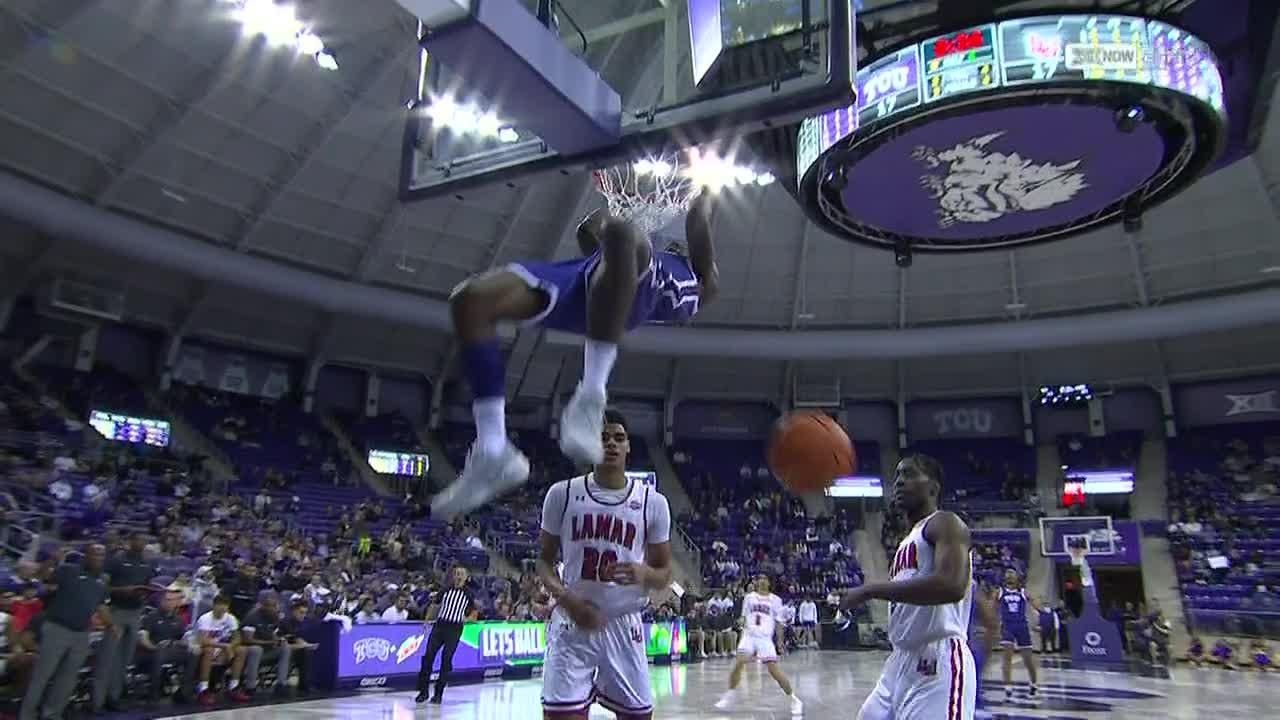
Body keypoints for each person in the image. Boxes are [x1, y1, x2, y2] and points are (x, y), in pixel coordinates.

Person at [432, 191, 718, 518]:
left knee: (624, 233)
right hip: (587, 283)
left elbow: (700, 219)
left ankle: (591, 396)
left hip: (640, 299)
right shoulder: (619, 250)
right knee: (470, 299)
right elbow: (589, 230)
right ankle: (493, 449)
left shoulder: (697, 280)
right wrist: (634, 199)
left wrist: (709, 183)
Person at [537, 409, 673, 719]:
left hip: (624, 624)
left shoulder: (653, 502)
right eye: (603, 437)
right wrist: (568, 600)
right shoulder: (562, 494)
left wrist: (644, 573)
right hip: (572, 623)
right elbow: (543, 562)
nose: (611, 443)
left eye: (619, 437)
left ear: (628, 447)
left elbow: (664, 575)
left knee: (639, 715)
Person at [841, 455, 976, 720]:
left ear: (933, 488)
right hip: (900, 661)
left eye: (909, 475)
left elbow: (951, 586)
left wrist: (870, 590)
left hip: (937, 657)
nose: (900, 483)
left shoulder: (945, 522)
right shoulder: (908, 542)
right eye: (897, 477)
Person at [21, 545, 115, 720]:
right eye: (95, 554)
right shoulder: (69, 570)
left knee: (68, 679)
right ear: (86, 555)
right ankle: (26, 715)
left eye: (102, 555)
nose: (99, 558)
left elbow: (101, 606)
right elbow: (42, 577)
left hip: (81, 634)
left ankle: (52, 715)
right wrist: (52, 559)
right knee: (42, 675)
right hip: (57, 628)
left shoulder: (101, 581)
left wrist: (111, 625)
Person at [714, 576, 803, 715]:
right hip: (749, 636)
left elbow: (779, 623)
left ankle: (794, 699)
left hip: (765, 639)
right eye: (758, 579)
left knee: (774, 672)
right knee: (739, 663)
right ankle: (729, 696)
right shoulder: (749, 597)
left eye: (763, 578)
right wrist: (740, 623)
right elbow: (743, 617)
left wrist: (780, 643)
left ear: (769, 582)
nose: (760, 581)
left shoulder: (776, 600)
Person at [94, 530, 158, 712]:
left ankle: (113, 697)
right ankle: (97, 701)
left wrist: (145, 592)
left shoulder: (146, 564)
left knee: (124, 659)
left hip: (135, 612)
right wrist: (123, 590)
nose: (141, 543)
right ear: (130, 541)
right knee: (107, 658)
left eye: (144, 540)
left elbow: (146, 584)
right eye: (138, 539)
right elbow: (103, 587)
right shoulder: (116, 560)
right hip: (117, 611)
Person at [416, 566, 477, 705]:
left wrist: (467, 620)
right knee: (428, 657)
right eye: (456, 574)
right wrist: (427, 620)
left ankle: (438, 694)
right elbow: (435, 605)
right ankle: (423, 691)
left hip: (454, 629)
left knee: (446, 660)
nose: (458, 576)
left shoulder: (469, 594)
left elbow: (474, 612)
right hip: (440, 626)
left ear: (466, 577)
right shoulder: (446, 589)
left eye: (461, 574)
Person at [192, 594, 251, 705]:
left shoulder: (230, 618)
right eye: (219, 605)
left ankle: (234, 686)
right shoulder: (205, 618)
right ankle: (203, 690)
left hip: (221, 647)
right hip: (201, 647)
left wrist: (231, 646)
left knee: (242, 650)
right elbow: (202, 640)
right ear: (214, 605)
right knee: (209, 650)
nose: (222, 608)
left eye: (225, 605)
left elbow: (237, 638)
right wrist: (225, 646)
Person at [137, 589, 193, 702]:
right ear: (161, 601)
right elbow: (143, 637)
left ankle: (183, 691)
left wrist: (187, 644)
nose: (170, 603)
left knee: (193, 653)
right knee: (160, 654)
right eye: (168, 600)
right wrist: (154, 647)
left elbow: (183, 638)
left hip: (172, 650)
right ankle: (154, 692)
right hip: (152, 651)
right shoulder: (151, 617)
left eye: (173, 600)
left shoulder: (177, 619)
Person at [997, 569, 1041, 702]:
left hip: (1022, 626)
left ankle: (1033, 684)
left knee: (1028, 659)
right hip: (1007, 626)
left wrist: (1038, 608)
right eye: (1007, 574)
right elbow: (990, 607)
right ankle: (1008, 687)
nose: (1009, 576)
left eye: (1012, 574)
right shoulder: (999, 592)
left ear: (1017, 578)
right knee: (1007, 658)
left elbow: (1037, 605)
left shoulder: (1023, 592)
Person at [968, 582, 999, 718]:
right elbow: (992, 623)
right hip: (966, 654)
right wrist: (983, 655)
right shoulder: (971, 585)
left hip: (932, 656)